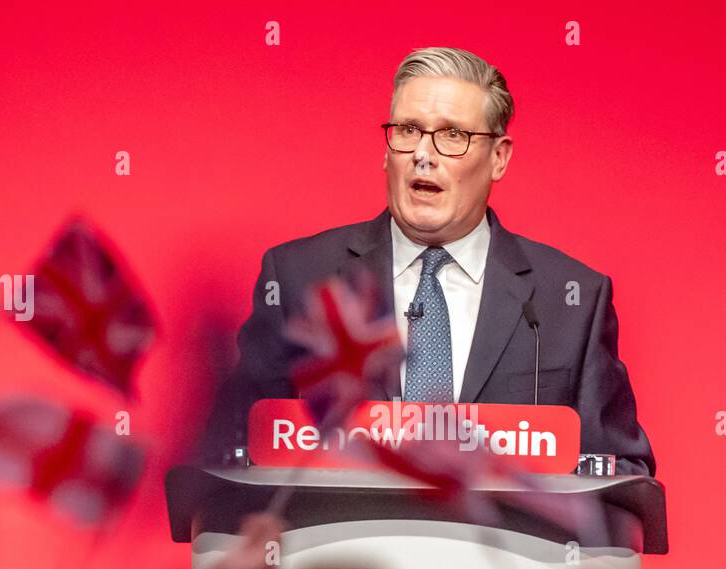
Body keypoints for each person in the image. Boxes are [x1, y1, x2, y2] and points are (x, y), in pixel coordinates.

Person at [204, 46, 655, 476]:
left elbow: (620, 471)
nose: (423, 154)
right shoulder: (301, 277)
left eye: (453, 135)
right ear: (387, 150)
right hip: (344, 552)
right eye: (408, 130)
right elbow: (234, 451)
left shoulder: (569, 301)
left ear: (499, 158)